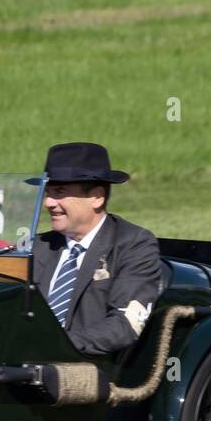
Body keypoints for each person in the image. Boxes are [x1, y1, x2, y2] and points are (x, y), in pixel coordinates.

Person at [27, 143, 162, 359]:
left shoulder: (133, 245)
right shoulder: (36, 246)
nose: (48, 203)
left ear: (97, 197)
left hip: (91, 371)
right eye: (47, 192)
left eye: (59, 192)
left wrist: (54, 345)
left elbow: (124, 324)